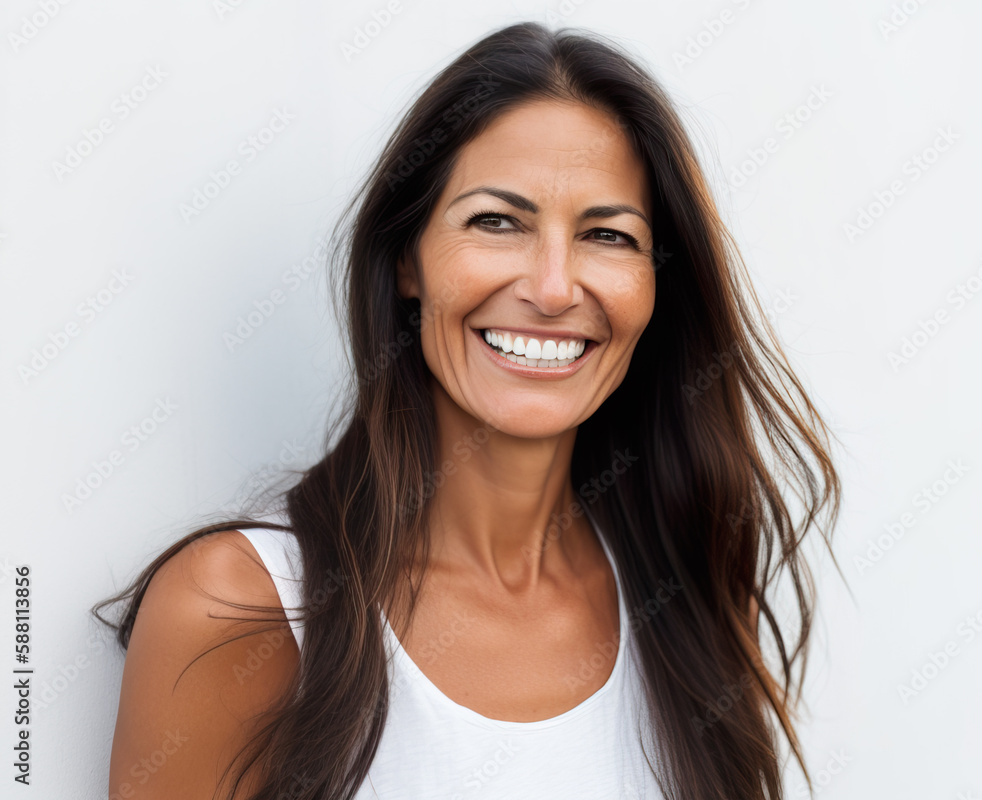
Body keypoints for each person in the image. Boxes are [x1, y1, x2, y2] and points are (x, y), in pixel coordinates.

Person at [94, 20, 841, 800]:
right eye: (496, 221)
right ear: (406, 262)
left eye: (608, 235)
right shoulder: (244, 607)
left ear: (657, 286)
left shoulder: (687, 587)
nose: (554, 288)